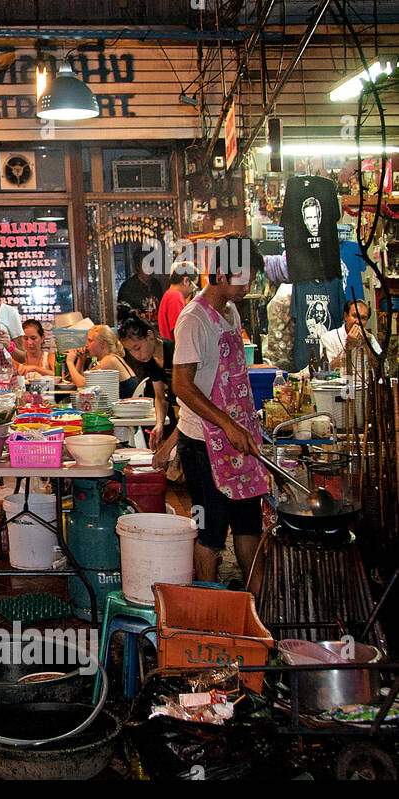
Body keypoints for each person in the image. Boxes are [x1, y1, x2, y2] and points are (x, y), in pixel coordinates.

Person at [171, 236, 267, 588]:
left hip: (238, 440)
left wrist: (240, 426)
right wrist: (227, 424)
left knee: (248, 525)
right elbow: (182, 386)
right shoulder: (193, 319)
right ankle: (209, 606)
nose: (248, 287)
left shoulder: (231, 311)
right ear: (222, 274)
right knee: (210, 532)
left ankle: (258, 604)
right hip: (203, 445)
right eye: (244, 279)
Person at [118, 314, 176, 450]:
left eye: (137, 348)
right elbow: (160, 397)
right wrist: (159, 424)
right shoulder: (150, 360)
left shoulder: (174, 352)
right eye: (130, 351)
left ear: (150, 335)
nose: (136, 355)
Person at [64, 325, 139, 399]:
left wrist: (70, 362)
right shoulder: (109, 359)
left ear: (103, 344)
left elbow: (82, 384)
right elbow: (79, 380)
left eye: (90, 341)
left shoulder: (110, 360)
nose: (86, 344)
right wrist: (81, 361)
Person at [319, 299, 381, 373]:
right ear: (345, 316)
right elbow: (326, 371)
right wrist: (348, 347)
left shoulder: (370, 338)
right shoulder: (329, 338)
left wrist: (369, 347)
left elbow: (382, 370)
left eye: (363, 318)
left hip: (365, 380)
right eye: (355, 316)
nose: (358, 322)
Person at [117, 248, 164, 325]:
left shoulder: (156, 284)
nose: (149, 268)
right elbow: (123, 318)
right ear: (138, 266)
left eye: (152, 264)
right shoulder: (128, 287)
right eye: (145, 265)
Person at [156, 261, 198, 342]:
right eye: (194, 286)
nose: (192, 291)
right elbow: (180, 330)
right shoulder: (175, 297)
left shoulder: (170, 294)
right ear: (186, 281)